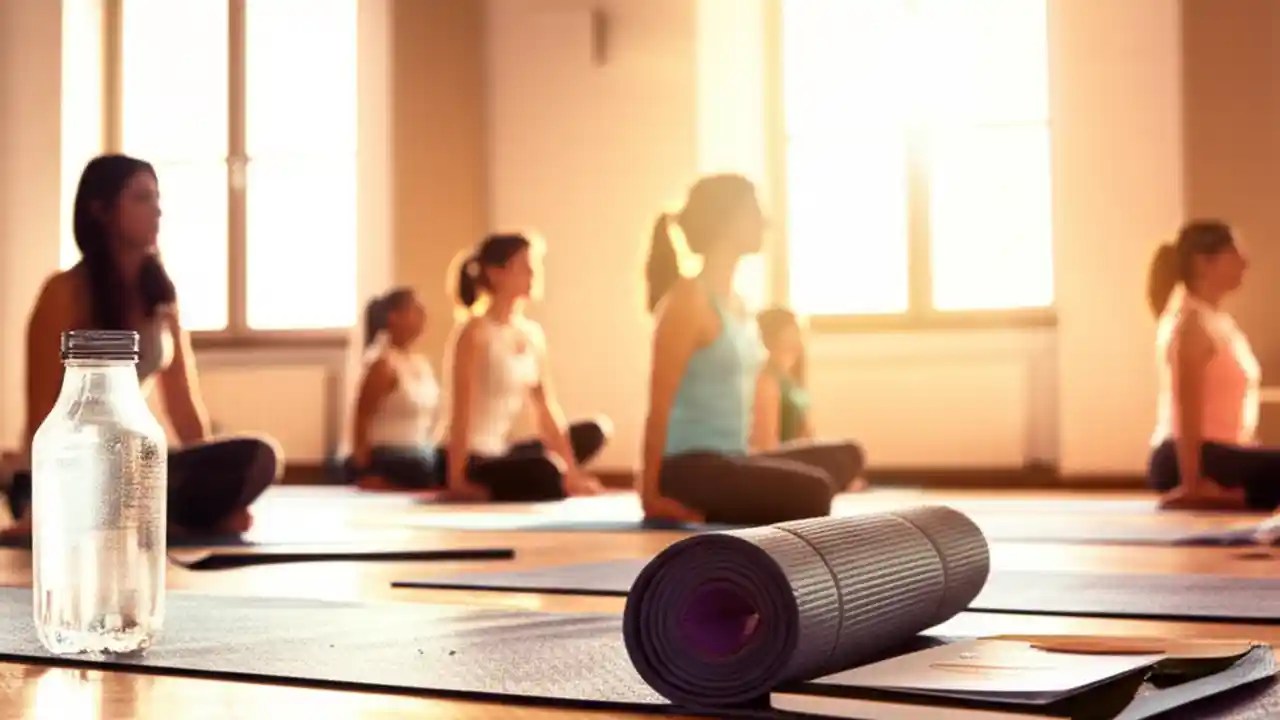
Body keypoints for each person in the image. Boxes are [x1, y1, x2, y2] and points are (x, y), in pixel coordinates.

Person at [4, 154, 280, 540]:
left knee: (259, 457)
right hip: (75, 469)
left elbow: (184, 408)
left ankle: (147, 518)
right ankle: (146, 520)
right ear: (100, 210)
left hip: (137, 465)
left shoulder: (161, 297)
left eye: (157, 198)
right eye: (142, 198)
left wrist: (213, 477)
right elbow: (43, 414)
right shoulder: (64, 292)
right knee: (116, 475)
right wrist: (39, 500)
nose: (158, 211)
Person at [641, 175, 865, 525]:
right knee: (814, 491)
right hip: (688, 468)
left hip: (734, 458)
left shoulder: (740, 305)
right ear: (726, 220)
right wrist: (650, 496)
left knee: (848, 455)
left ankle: (748, 493)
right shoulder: (687, 301)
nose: (766, 222)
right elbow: (658, 406)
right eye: (755, 211)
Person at [439, 233, 609, 502]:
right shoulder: (474, 332)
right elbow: (459, 411)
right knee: (548, 471)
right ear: (496, 273)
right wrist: (457, 481)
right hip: (471, 458)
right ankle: (544, 479)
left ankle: (553, 478)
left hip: (502, 452)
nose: (534, 274)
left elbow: (546, 408)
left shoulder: (532, 334)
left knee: (594, 432)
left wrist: (573, 474)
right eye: (526, 267)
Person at [1147, 220, 1280, 511]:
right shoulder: (1189, 323)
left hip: (1214, 454)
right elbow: (1187, 409)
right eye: (1235, 253)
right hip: (1183, 459)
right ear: (1203, 263)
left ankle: (1238, 496)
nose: (1245, 262)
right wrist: (1192, 485)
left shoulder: (1216, 320)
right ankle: (1223, 495)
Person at [347, 288, 441, 491]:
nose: (424, 316)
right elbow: (361, 416)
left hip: (419, 451)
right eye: (415, 310)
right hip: (389, 455)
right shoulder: (382, 364)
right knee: (423, 468)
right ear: (394, 317)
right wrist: (363, 468)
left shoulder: (421, 364)